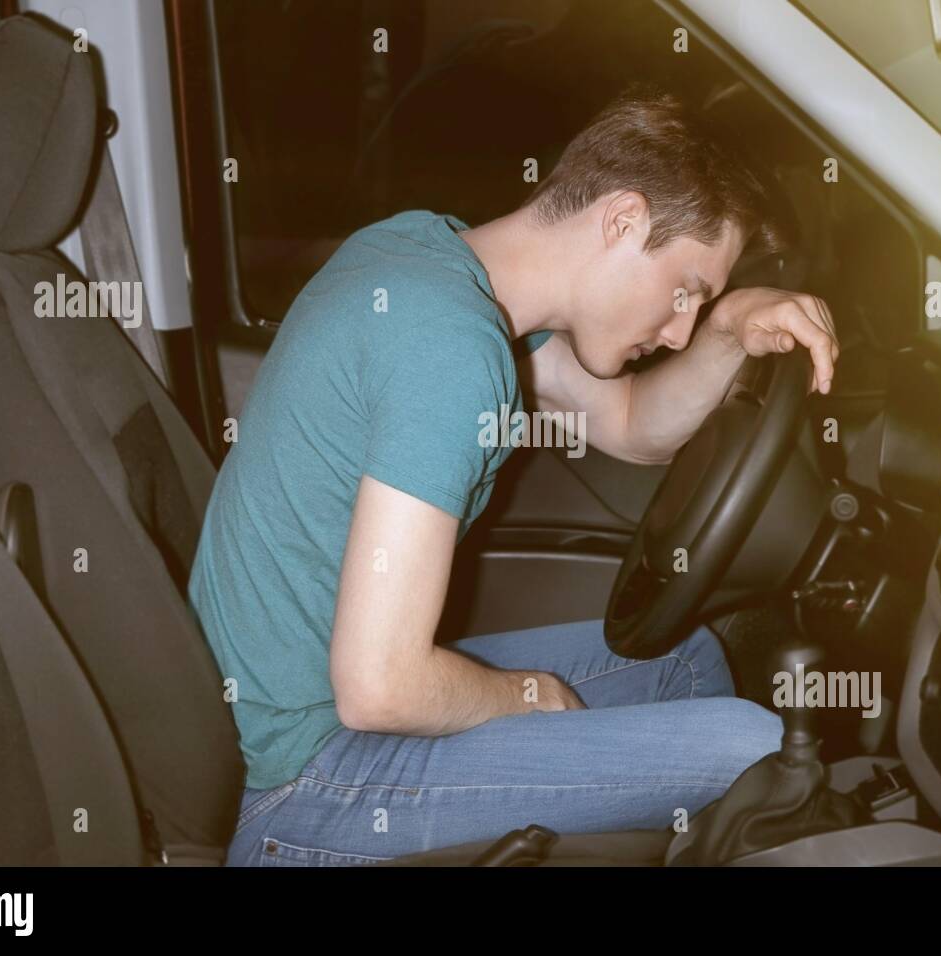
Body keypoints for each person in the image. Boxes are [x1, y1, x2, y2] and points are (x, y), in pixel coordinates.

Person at [188, 83, 840, 866]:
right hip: (303, 779)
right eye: (685, 293)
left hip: (289, 717)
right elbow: (380, 684)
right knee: (756, 745)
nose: (678, 330)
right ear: (623, 220)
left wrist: (732, 328)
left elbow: (632, 426)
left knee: (684, 661)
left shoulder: (428, 256)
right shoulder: (451, 348)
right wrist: (524, 695)